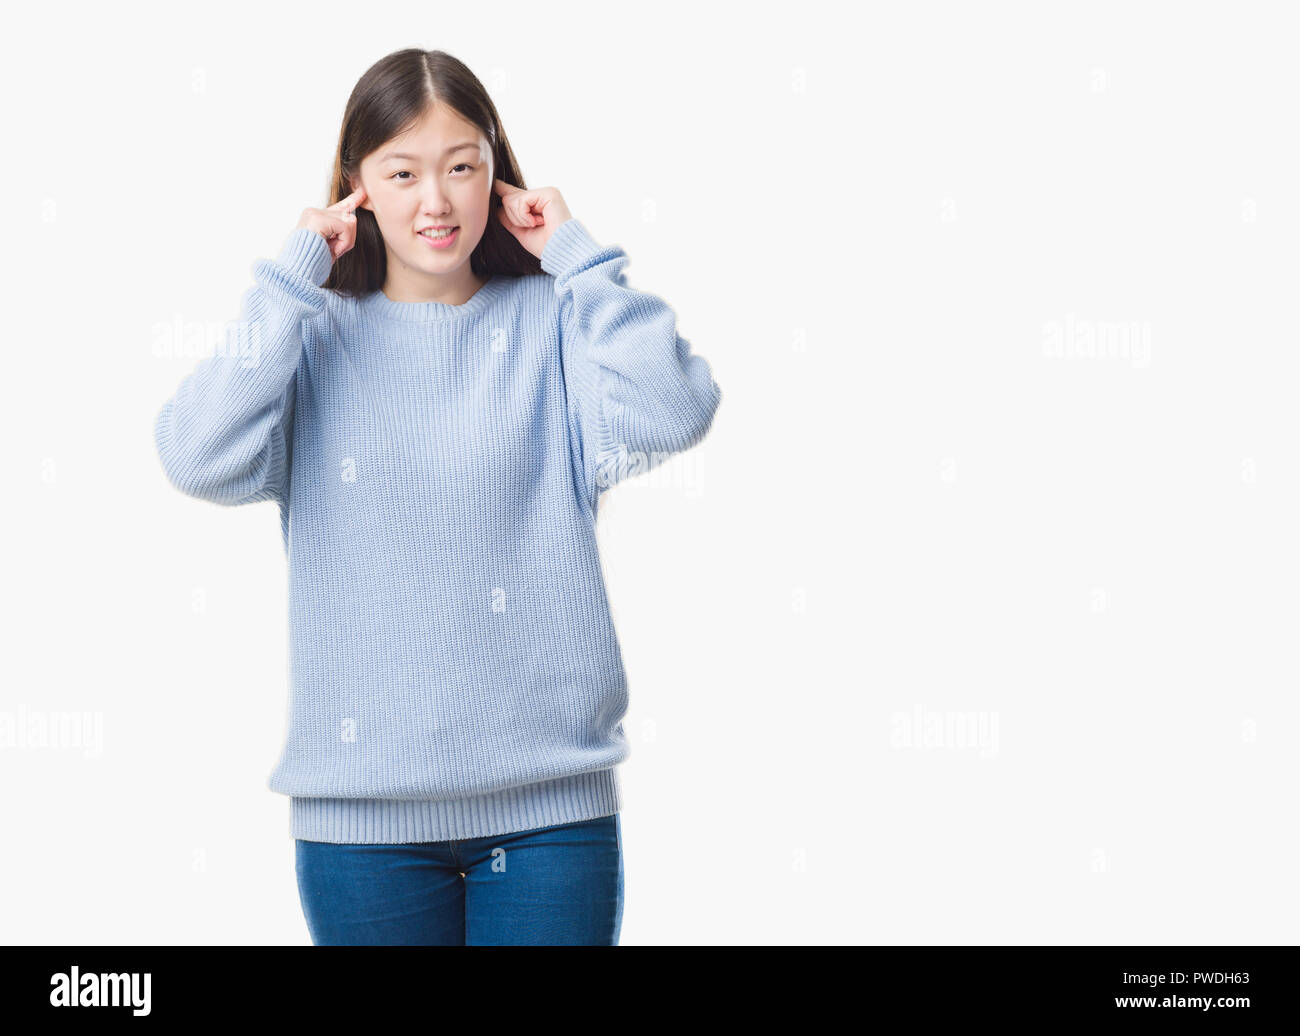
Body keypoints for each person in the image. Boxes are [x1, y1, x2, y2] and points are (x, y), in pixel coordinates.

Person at [152, 48, 722, 946]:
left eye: (462, 166)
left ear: (496, 172)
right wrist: (292, 276)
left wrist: (576, 257)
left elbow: (676, 408)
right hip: (361, 829)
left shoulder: (555, 323)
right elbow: (194, 455)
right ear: (357, 186)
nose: (436, 200)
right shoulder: (311, 338)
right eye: (403, 171)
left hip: (551, 818)